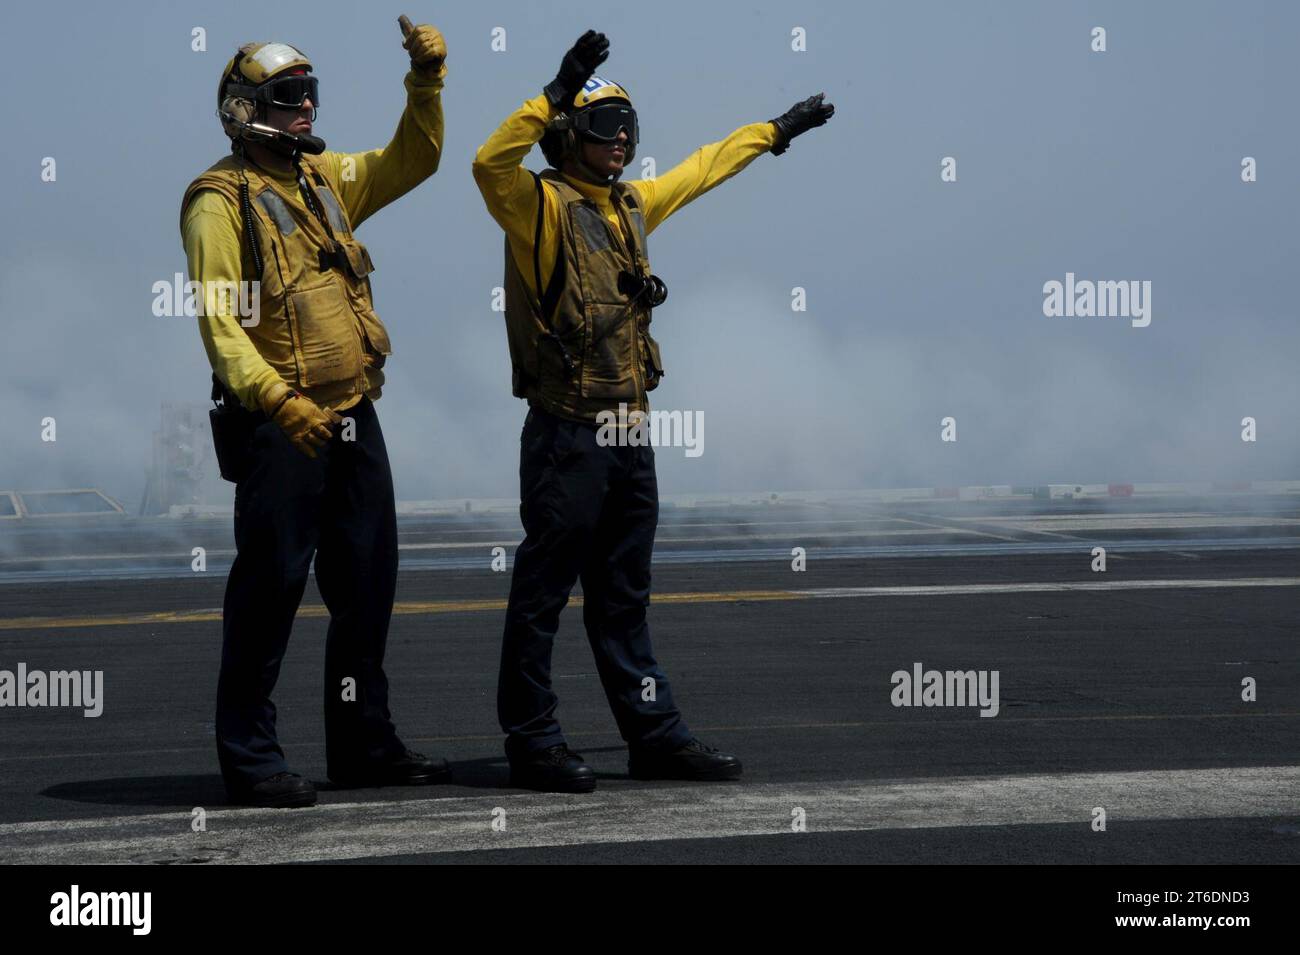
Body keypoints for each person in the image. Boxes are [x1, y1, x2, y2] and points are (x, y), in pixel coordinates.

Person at [472, 30, 834, 792]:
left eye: (629, 126)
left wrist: (773, 133)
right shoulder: (537, 207)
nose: (623, 141)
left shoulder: (631, 205)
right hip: (568, 430)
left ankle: (655, 736)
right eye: (605, 127)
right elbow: (487, 163)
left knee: (624, 593)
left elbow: (703, 169)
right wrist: (554, 91)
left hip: (629, 428)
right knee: (543, 592)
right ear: (570, 134)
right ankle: (532, 740)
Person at [178, 18, 450, 807]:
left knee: (367, 586)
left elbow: (414, 159)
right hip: (278, 426)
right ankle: (252, 758)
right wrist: (277, 400)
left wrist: (425, 83)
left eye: (309, 95)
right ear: (242, 109)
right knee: (269, 592)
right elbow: (221, 326)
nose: (305, 109)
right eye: (287, 97)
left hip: (353, 415)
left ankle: (364, 744)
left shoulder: (323, 179)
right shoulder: (216, 202)